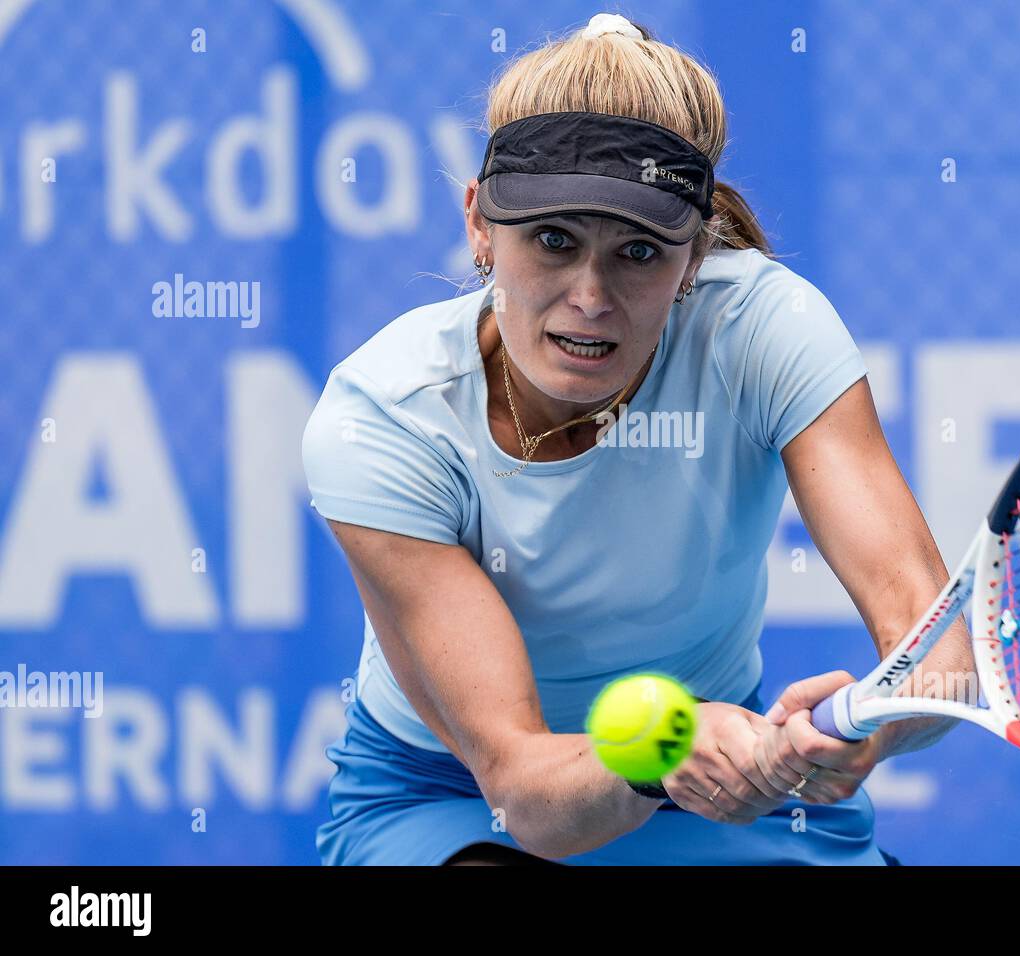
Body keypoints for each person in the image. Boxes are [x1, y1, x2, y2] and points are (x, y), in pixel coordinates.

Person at [304, 12, 973, 866]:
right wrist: (655, 757)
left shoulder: (767, 329)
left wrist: (874, 728)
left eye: (639, 252)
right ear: (479, 224)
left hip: (728, 784)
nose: (590, 295)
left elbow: (938, 652)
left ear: (693, 259)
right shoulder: (384, 416)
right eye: (553, 240)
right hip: (454, 796)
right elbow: (521, 792)